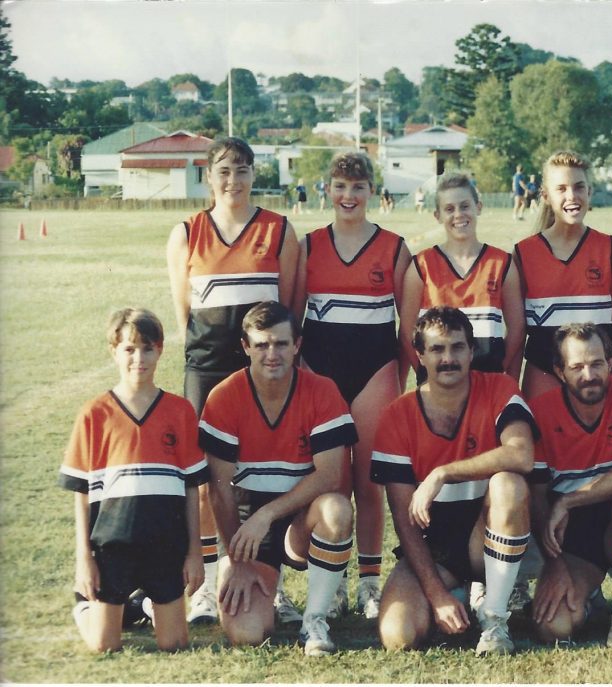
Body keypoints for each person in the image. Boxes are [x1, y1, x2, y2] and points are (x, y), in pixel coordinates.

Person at [166, 136, 299, 625]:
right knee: (204, 478)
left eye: (242, 170)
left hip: (262, 366)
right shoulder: (186, 233)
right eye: (223, 171)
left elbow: (290, 303)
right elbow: (185, 314)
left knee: (264, 472)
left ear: (253, 173)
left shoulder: (279, 230)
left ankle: (270, 580)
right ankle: (202, 583)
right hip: (207, 365)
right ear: (208, 176)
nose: (233, 180)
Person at [371, 307, 538, 655]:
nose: (448, 359)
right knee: (398, 636)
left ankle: (494, 618)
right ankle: (464, 593)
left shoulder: (498, 388)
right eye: (437, 349)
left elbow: (522, 454)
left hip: (487, 531)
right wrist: (437, 595)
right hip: (437, 547)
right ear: (419, 356)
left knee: (509, 484)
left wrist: (444, 472)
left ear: (472, 351)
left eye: (457, 348)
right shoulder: (397, 415)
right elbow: (405, 521)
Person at [200, 301, 358, 656]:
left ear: (297, 344)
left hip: (299, 515)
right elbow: (219, 491)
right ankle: (251, 581)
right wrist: (238, 562)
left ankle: (314, 620)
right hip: (248, 524)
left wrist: (268, 514)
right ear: (245, 347)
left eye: (281, 344)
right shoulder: (225, 397)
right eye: (261, 345)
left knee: (335, 509)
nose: (272, 354)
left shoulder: (322, 391)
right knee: (249, 633)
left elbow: (331, 475)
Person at [293, 151, 412, 620]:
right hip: (320, 372)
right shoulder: (309, 245)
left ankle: (368, 581)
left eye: (358, 187)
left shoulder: (395, 247)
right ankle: (334, 578)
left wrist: (397, 376)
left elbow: (408, 325)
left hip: (375, 370)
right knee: (332, 482)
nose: (349, 196)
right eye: (341, 186)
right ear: (328, 189)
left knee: (369, 481)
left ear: (371, 192)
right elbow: (294, 317)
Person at [60, 308, 208, 652]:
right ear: (114, 351)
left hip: (165, 545)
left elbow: (191, 488)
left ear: (160, 350)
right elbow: (81, 493)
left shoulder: (179, 411)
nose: (138, 358)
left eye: (147, 348)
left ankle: (141, 603)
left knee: (174, 644)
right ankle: (86, 605)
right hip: (113, 545)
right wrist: (84, 557)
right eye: (128, 349)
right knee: (103, 645)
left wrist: (194, 552)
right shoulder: (94, 413)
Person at [529, 323, 612, 647]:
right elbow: (538, 499)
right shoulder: (541, 412)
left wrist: (569, 500)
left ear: (611, 361)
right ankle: (587, 598)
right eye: (577, 367)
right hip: (569, 535)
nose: (589, 374)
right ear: (559, 371)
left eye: (597, 363)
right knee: (554, 628)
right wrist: (555, 565)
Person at [514, 150, 612, 401]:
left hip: (598, 373)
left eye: (579, 187)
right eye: (561, 189)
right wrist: (510, 389)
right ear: (546, 196)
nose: (572, 196)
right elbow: (517, 331)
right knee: (543, 441)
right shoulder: (523, 252)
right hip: (543, 372)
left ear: (590, 192)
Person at [399, 170, 525, 383]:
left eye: (465, 206)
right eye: (449, 209)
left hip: (487, 383)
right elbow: (406, 331)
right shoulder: (421, 266)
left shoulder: (502, 263)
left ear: (479, 207)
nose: (458, 214)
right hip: (438, 387)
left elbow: (518, 327)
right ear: (437, 216)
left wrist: (498, 368)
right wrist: (426, 373)